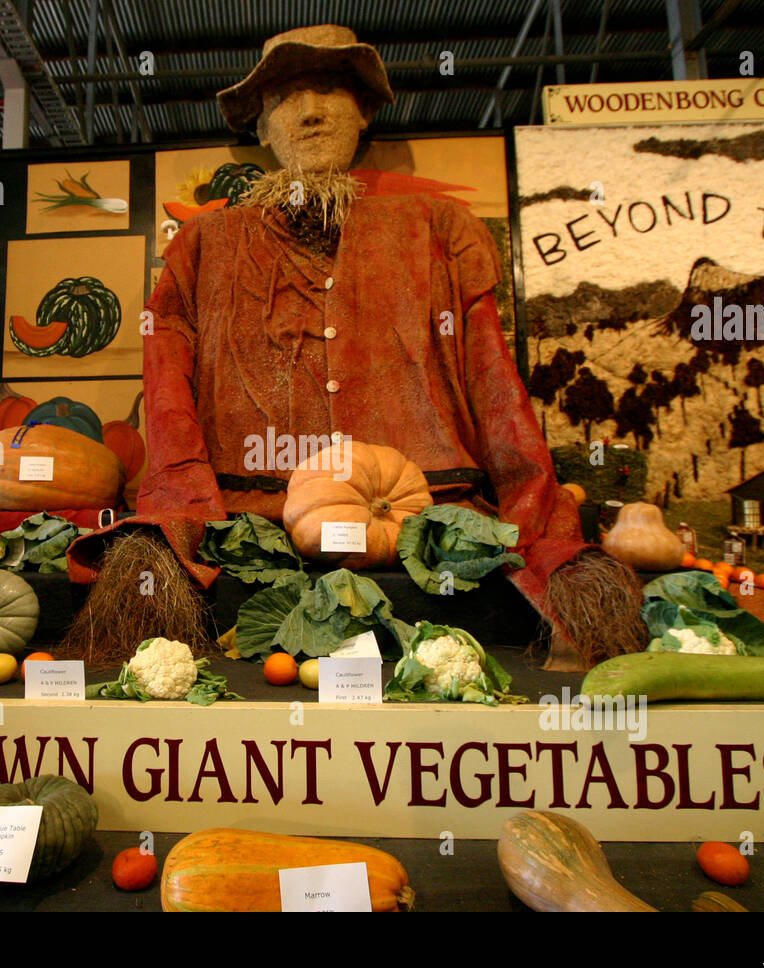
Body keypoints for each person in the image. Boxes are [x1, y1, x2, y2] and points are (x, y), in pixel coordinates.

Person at [70, 25, 645, 668]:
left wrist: (536, 524)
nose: (311, 112)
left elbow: (495, 386)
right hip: (248, 522)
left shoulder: (439, 229)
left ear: (365, 110)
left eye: (331, 91)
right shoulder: (204, 245)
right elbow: (170, 393)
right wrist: (185, 511)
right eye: (287, 97)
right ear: (260, 127)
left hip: (426, 520)